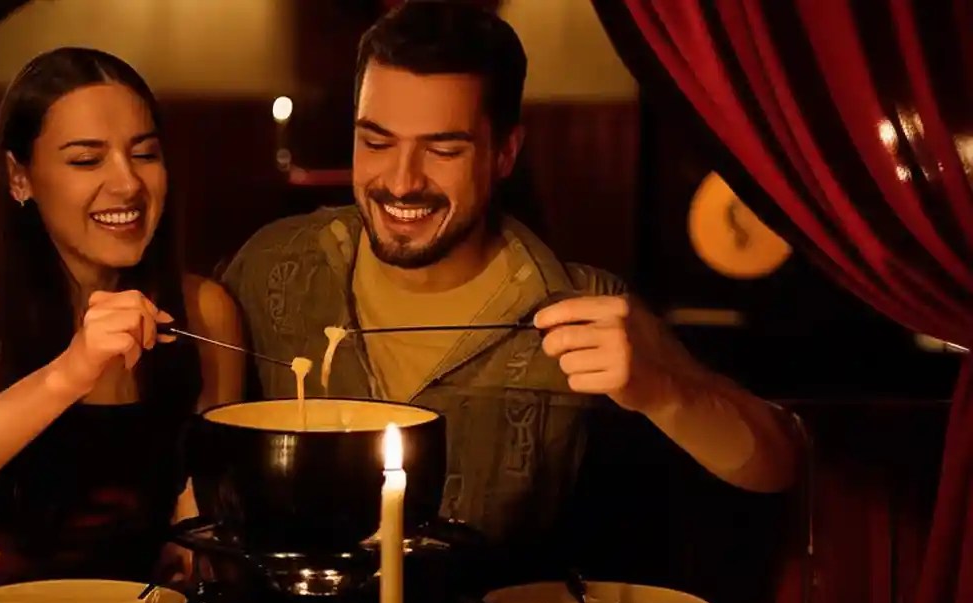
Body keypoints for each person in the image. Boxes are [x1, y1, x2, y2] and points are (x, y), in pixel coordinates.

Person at [221, 2, 802, 558]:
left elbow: (779, 462)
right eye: (376, 142)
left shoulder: (581, 306)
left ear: (504, 153)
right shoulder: (276, 266)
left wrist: (665, 393)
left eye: (443, 149)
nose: (400, 181)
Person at [0, 46, 244, 603]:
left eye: (144, 154)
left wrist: (196, 551)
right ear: (21, 178)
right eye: (87, 160)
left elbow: (203, 533)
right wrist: (71, 371)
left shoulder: (204, 313)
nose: (126, 183)